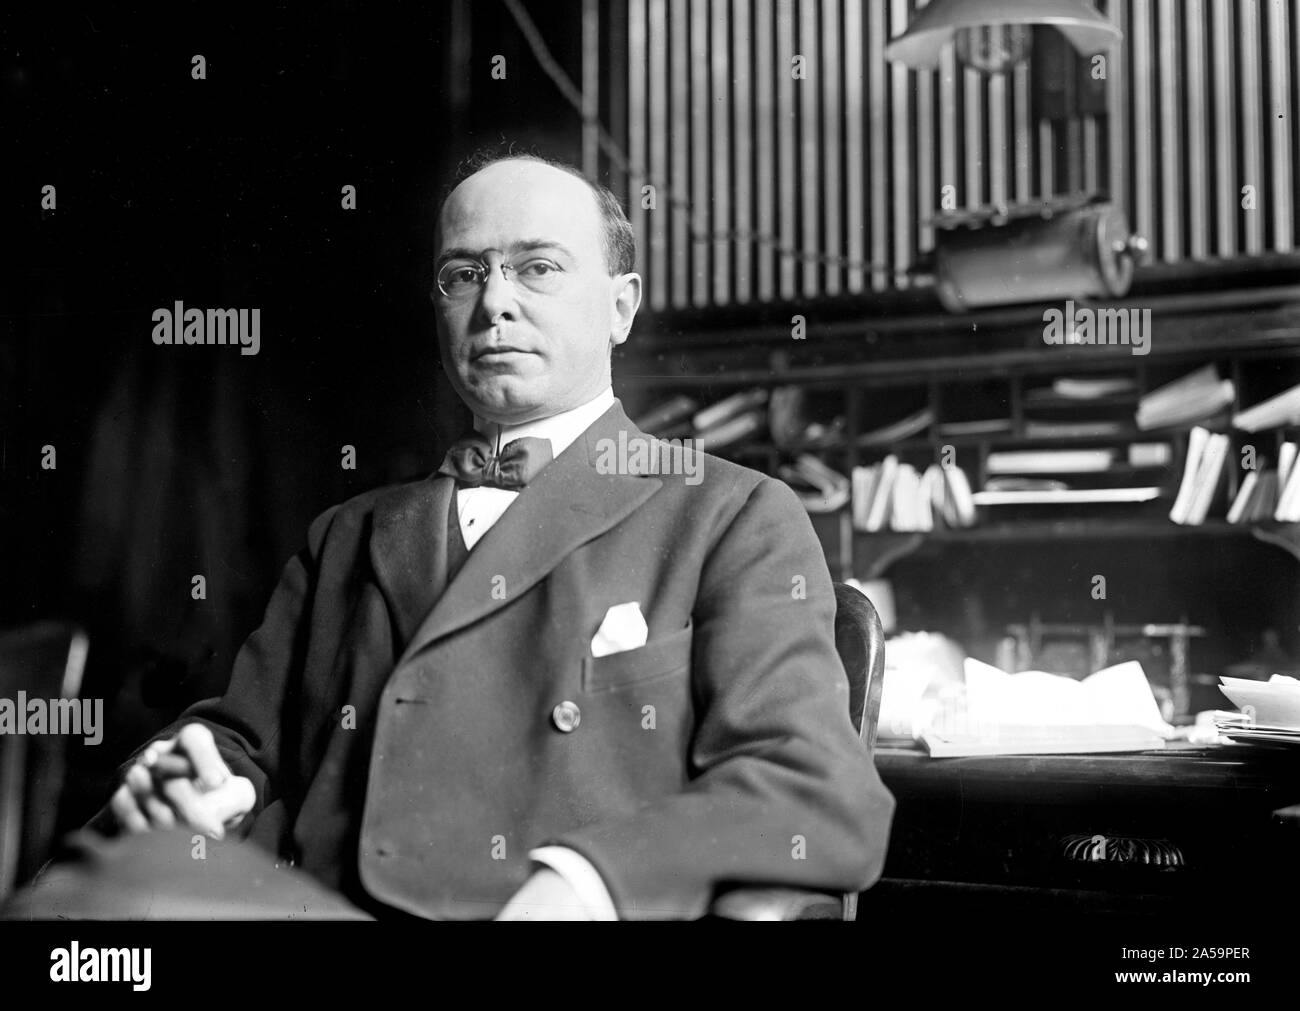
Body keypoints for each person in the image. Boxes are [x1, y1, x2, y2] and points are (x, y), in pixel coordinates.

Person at [18, 152, 895, 920]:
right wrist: (207, 780)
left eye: (538, 268)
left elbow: (809, 787)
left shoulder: (728, 513)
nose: (494, 305)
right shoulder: (349, 535)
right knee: (93, 894)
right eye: (463, 275)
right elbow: (243, 735)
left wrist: (594, 881)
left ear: (622, 305)